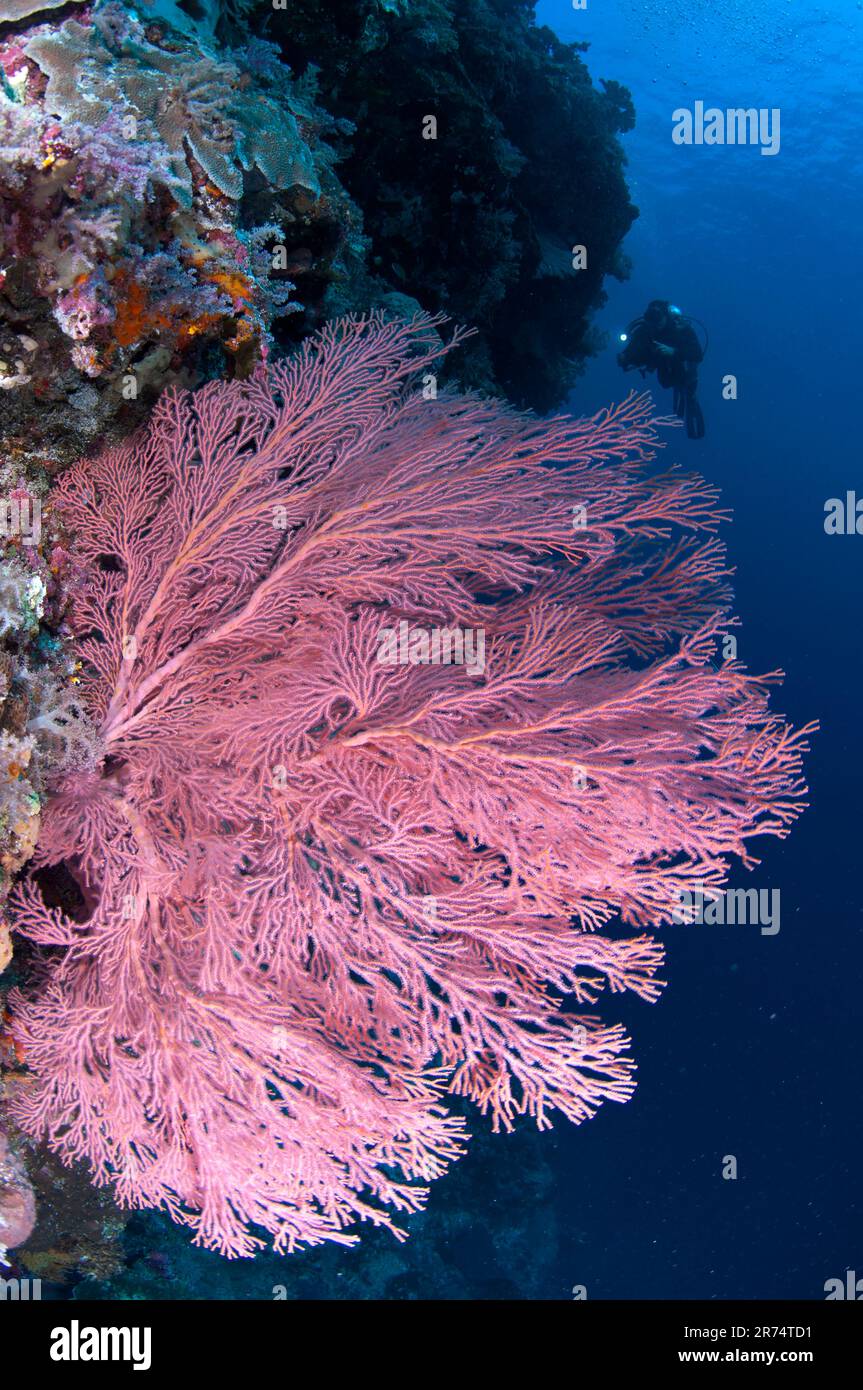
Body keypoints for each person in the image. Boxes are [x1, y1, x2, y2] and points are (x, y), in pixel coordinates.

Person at [617, 300, 706, 439]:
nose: (656, 325)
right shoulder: (647, 329)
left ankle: (691, 405)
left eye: (658, 319)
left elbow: (697, 354)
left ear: (666, 316)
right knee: (666, 383)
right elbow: (635, 349)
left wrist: (675, 352)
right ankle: (683, 397)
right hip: (663, 367)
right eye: (651, 320)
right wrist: (625, 357)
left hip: (683, 368)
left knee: (687, 389)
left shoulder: (681, 328)